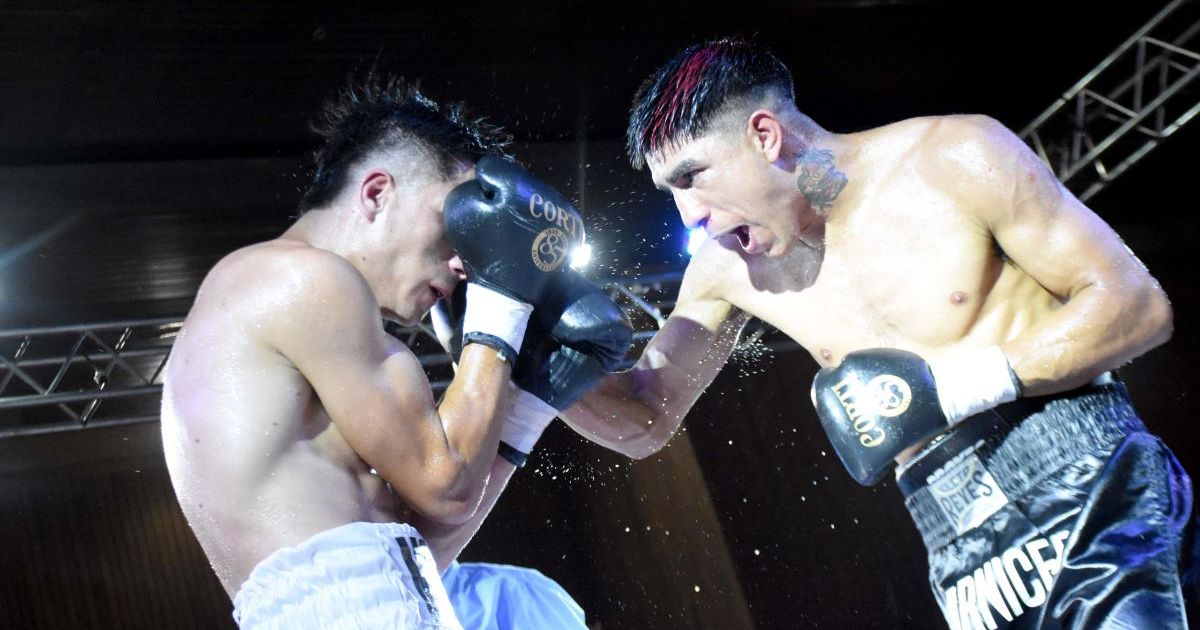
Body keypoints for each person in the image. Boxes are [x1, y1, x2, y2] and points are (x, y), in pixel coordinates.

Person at [562, 38, 1197, 628]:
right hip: (956, 546)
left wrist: (949, 391)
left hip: (1086, 481)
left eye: (692, 177)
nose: (691, 215)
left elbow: (1136, 305)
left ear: (764, 135)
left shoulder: (952, 158)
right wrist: (529, 361)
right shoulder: (727, 270)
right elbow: (645, 417)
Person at [160, 74, 629, 629]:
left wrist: (526, 403)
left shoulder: (278, 305)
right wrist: (501, 308)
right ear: (377, 193)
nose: (465, 262)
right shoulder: (303, 278)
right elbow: (446, 484)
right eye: (453, 228)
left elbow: (414, 558)